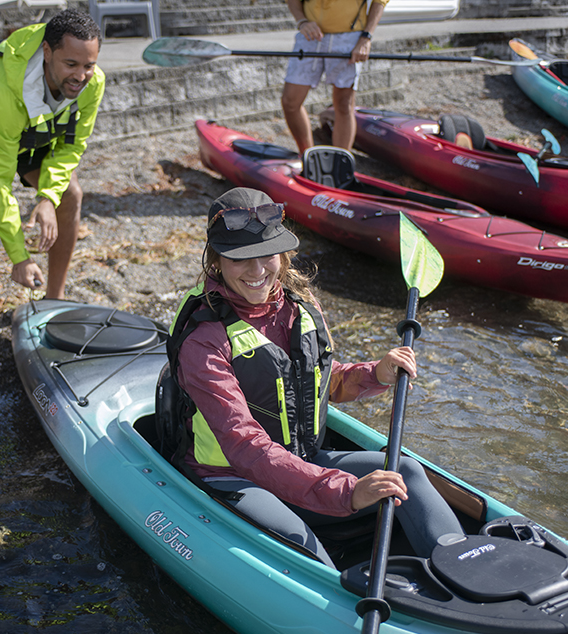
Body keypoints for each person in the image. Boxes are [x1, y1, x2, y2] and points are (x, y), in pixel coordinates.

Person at [166, 187, 462, 568]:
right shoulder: (204, 339)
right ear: (216, 261)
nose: (257, 272)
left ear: (283, 255)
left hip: (302, 458)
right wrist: (346, 492)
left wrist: (375, 373)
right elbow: (245, 446)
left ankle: (462, 568)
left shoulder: (299, 305)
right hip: (234, 476)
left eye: (266, 255)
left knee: (404, 470)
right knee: (305, 551)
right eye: (240, 259)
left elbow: (320, 384)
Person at [0, 9, 105, 338]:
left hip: (34, 127)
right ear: (47, 53)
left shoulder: (92, 83)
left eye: (89, 65)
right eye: (71, 64)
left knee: (70, 194)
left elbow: (71, 148)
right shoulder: (4, 89)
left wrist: (46, 197)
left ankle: (54, 300)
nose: (81, 76)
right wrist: (19, 256)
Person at [281, 0, 388, 154]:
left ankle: (340, 164)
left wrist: (366, 37)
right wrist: (302, 21)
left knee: (344, 104)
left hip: (349, 36)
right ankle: (308, 157)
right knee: (290, 101)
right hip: (310, 35)